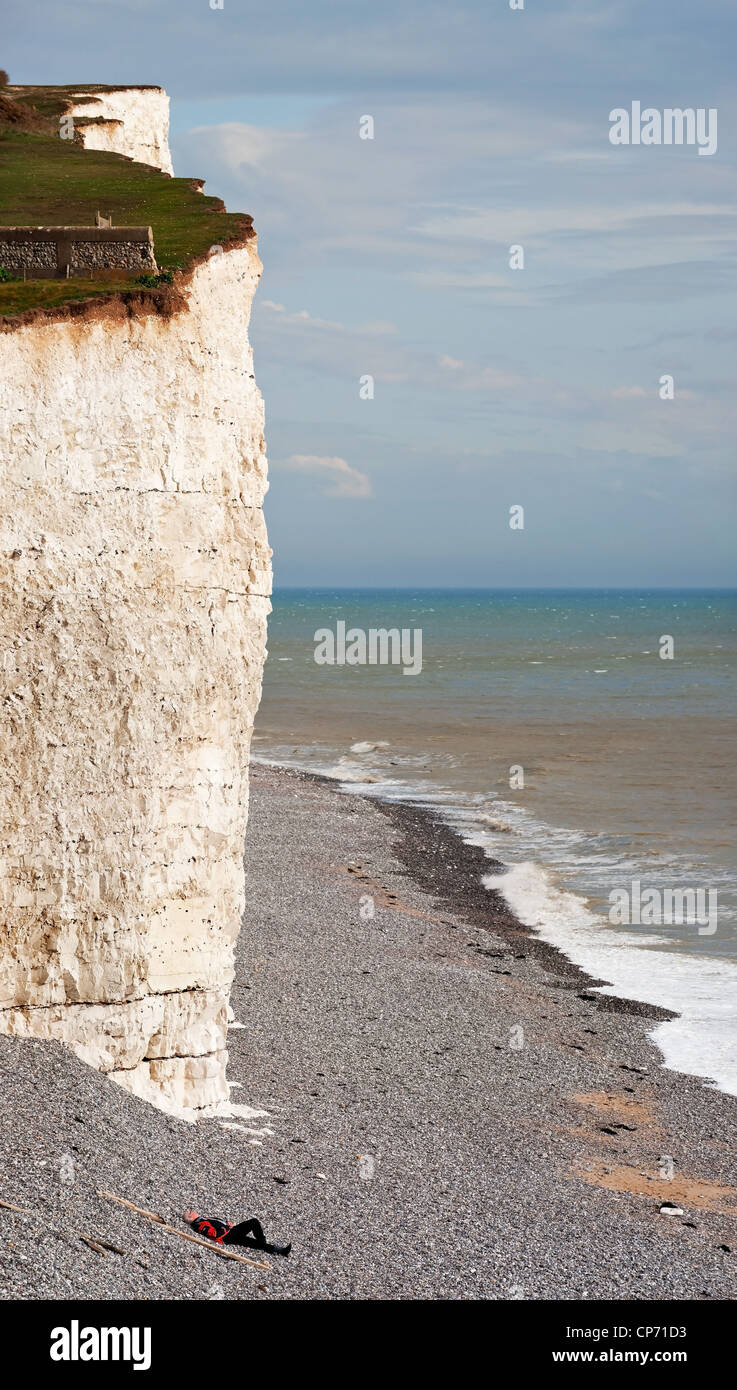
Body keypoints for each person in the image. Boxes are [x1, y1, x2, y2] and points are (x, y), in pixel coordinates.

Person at [184, 1209, 291, 1257]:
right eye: (191, 1211)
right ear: (190, 1217)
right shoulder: (198, 1224)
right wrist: (225, 1229)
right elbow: (213, 1234)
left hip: (231, 1231)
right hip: (228, 1237)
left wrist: (227, 1224)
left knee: (254, 1222)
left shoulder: (201, 1219)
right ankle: (277, 1250)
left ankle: (263, 1244)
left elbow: (217, 1223)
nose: (193, 1210)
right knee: (251, 1242)